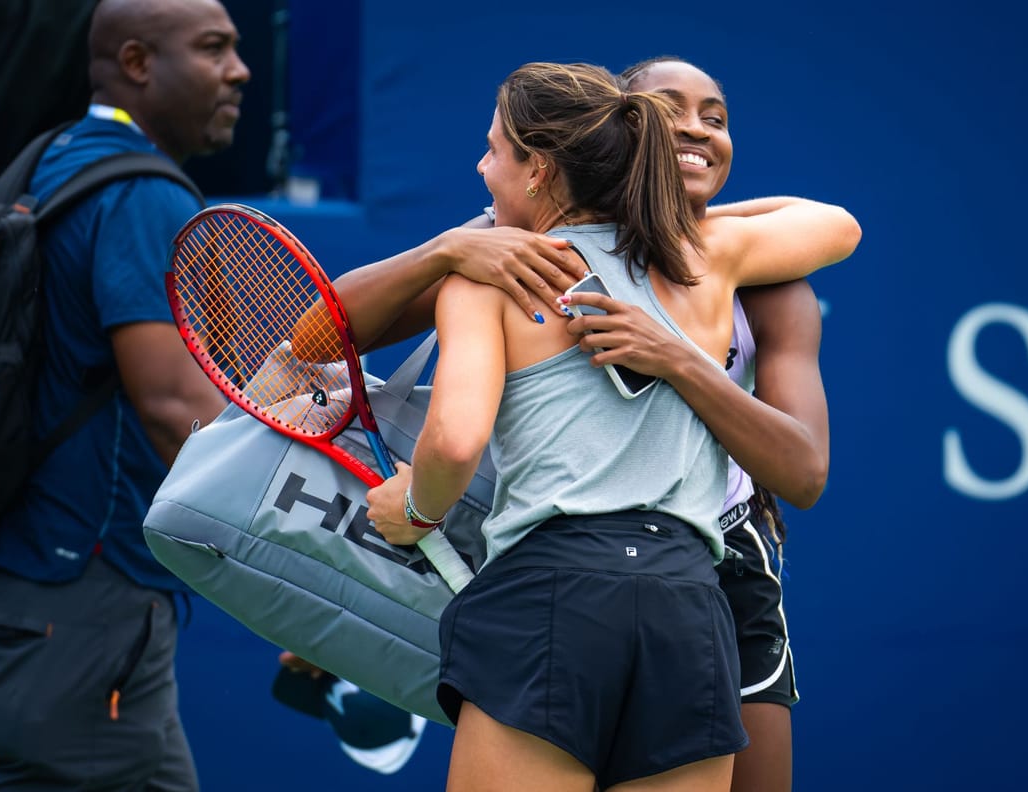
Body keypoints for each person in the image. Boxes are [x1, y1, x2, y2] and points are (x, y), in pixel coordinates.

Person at [358, 61, 853, 792]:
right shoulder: (709, 258)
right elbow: (839, 224)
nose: (480, 164)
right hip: (689, 599)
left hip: (552, 591)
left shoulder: (486, 278)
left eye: (494, 149)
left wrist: (413, 511)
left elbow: (456, 441)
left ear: (539, 171)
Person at [0, 0, 248, 788]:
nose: (239, 70)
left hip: (42, 596)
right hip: (85, 598)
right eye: (214, 49)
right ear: (137, 63)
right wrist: (291, 564)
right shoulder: (143, 193)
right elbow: (172, 407)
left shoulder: (48, 158)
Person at [604, 56, 833, 792]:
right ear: (614, 131)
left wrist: (679, 359)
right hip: (571, 567)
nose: (697, 128)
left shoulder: (772, 288)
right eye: (671, 109)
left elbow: (803, 474)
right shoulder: (535, 249)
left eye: (716, 116)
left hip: (728, 566)